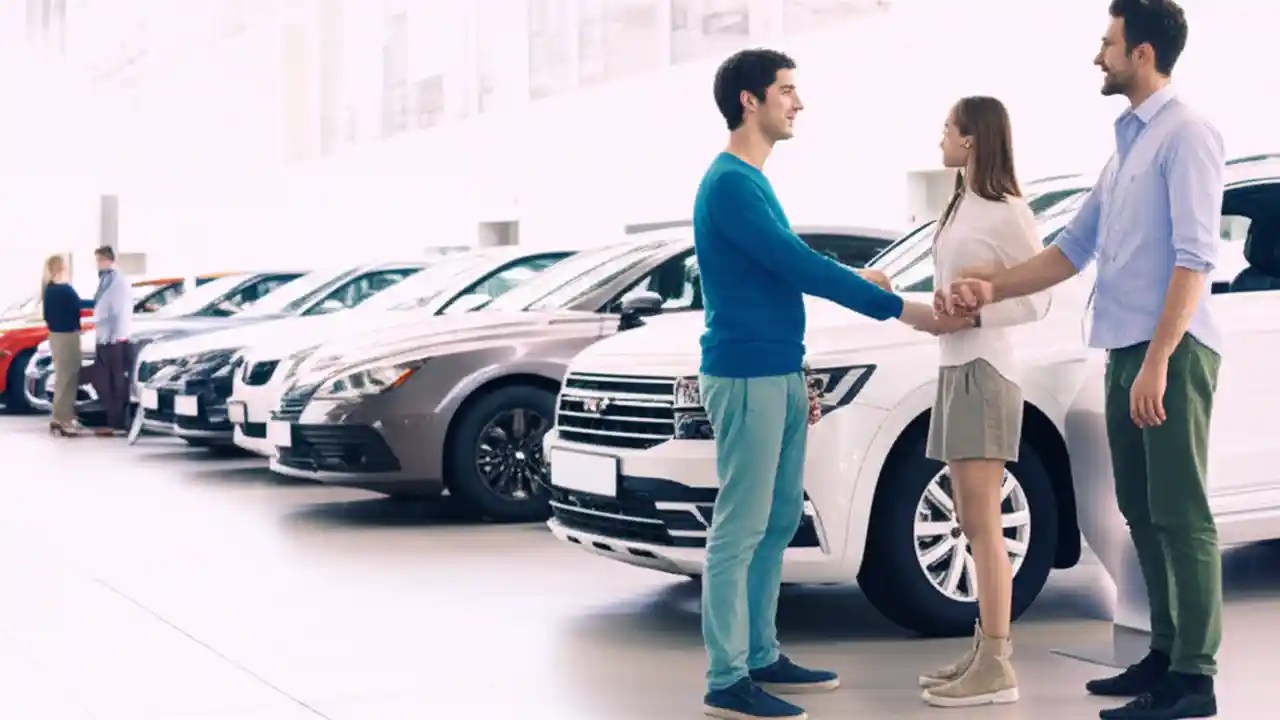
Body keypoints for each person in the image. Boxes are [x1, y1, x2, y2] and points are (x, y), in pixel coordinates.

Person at [946, 2, 1224, 718]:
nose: (1097, 56)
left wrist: (1161, 359)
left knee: (1180, 511)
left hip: (1172, 349)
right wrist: (991, 286)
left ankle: (1194, 678)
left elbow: (1195, 259)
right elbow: (1071, 250)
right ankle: (1163, 654)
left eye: (1108, 43)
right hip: (1125, 347)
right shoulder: (1125, 148)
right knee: (1139, 508)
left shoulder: (1186, 134)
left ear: (1144, 52)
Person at [693, 48, 943, 720]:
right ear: (750, 100)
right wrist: (902, 310)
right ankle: (726, 677)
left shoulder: (751, 181)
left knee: (776, 521)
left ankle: (762, 652)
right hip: (745, 375)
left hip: (776, 369)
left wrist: (861, 280)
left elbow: (785, 258)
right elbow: (793, 263)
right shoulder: (729, 183)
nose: (797, 103)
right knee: (740, 527)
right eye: (786, 90)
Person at [913, 97, 1051, 709]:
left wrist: (979, 307)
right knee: (971, 523)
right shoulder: (961, 204)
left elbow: (1039, 298)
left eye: (947, 128)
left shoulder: (1005, 209)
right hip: (955, 369)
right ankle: (983, 649)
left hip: (985, 372)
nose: (940, 135)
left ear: (970, 140)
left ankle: (997, 664)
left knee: (982, 524)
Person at [90, 245, 134, 437]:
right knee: (105, 379)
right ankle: (112, 420)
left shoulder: (117, 281)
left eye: (100, 260)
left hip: (114, 338)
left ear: (109, 259)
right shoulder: (106, 279)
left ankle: (117, 422)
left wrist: (111, 336)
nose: (97, 264)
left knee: (115, 380)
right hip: (104, 336)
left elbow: (115, 311)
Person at [41, 254, 86, 436]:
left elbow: (47, 316)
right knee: (68, 377)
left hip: (56, 335)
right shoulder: (63, 289)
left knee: (63, 376)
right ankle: (63, 418)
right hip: (67, 335)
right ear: (61, 268)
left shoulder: (49, 289)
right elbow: (78, 305)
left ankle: (59, 417)